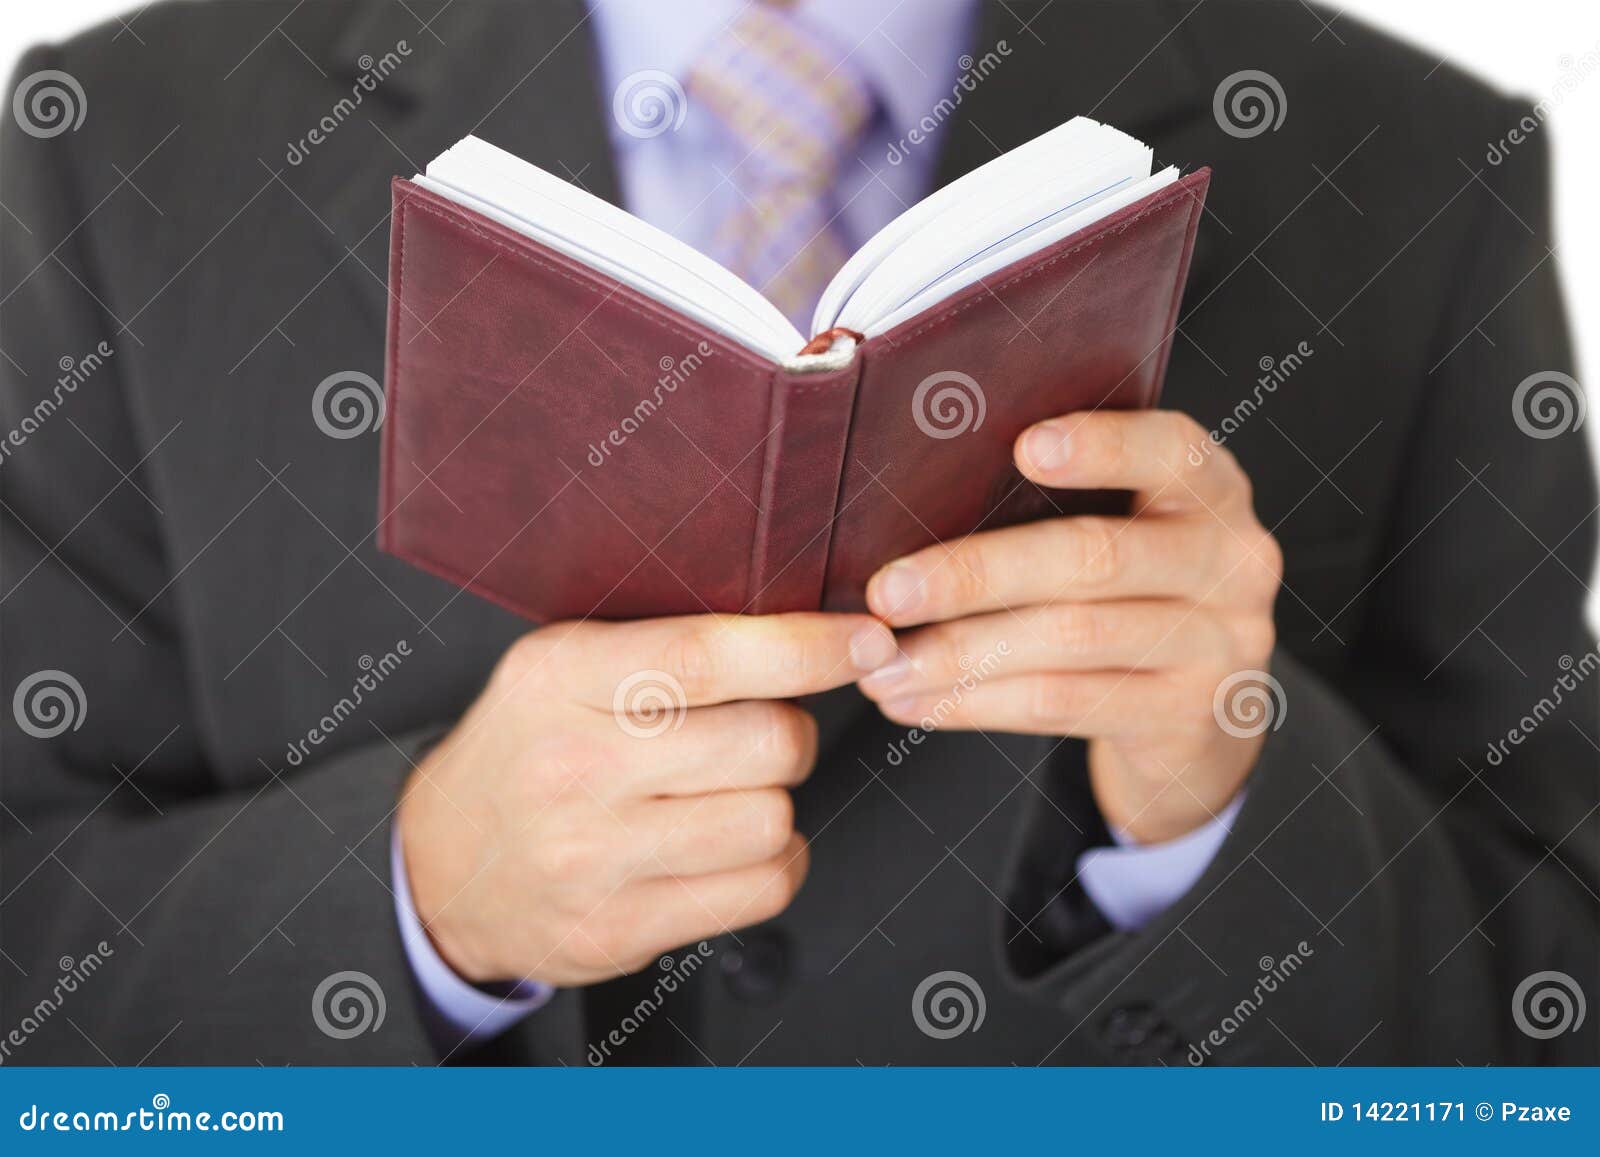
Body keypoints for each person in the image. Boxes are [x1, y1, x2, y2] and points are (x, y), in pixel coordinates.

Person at [1, 0, 1594, 1066]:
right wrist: (417, 896)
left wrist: (1229, 800)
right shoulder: (121, 143)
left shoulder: (1421, 169)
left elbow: (1557, 1012)